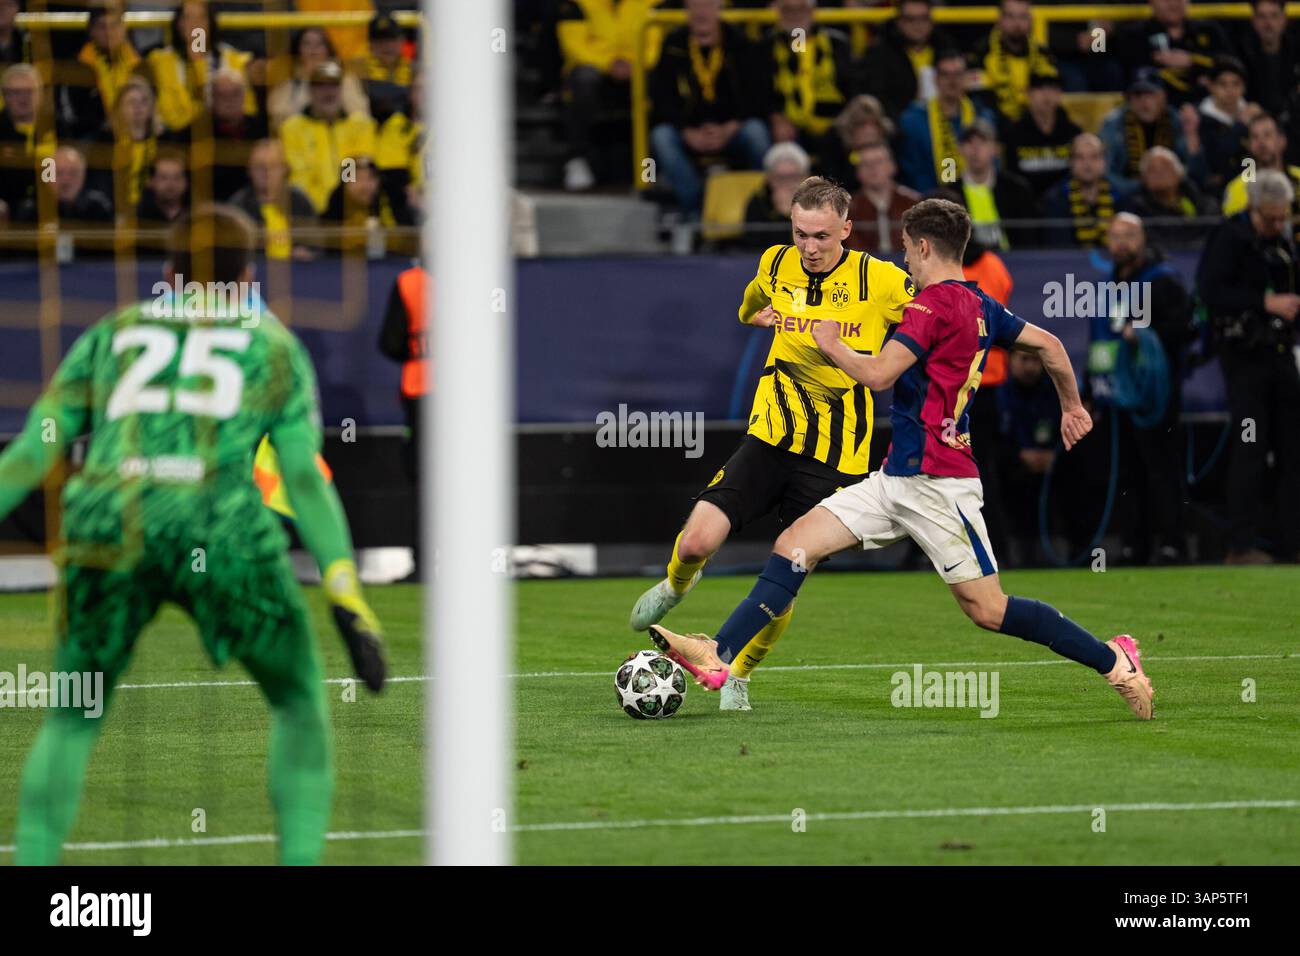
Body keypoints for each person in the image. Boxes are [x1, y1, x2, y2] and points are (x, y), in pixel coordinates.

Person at [648, 198, 1155, 722]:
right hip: (896, 478)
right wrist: (1071, 405)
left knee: (988, 610)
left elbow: (877, 375)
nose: (904, 262)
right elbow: (1049, 344)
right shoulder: (982, 305)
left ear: (924, 246)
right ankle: (719, 654)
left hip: (941, 485)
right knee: (795, 544)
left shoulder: (929, 307)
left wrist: (830, 343)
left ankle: (1113, 658)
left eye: (908, 250)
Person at [0, 204, 387, 865]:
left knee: (71, 714)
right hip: (220, 525)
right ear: (250, 275)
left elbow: (32, 455)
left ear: (170, 273)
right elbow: (303, 476)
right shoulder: (273, 347)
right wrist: (345, 588)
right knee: (297, 702)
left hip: (107, 523)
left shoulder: (114, 333)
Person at [628, 176, 916, 711]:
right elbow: (750, 306)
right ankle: (673, 588)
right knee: (695, 542)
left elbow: (932, 320)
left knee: (788, 569)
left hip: (836, 454)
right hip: (771, 435)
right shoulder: (776, 263)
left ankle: (738, 671)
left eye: (822, 237)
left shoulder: (881, 280)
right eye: (800, 233)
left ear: (847, 231)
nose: (809, 246)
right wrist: (754, 317)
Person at [1196, 170, 1300, 563]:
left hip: (1281, 353)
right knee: (1250, 447)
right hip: (1244, 358)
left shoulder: (1286, 242)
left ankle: (1292, 543)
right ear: (1253, 210)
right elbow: (1210, 291)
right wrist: (1263, 302)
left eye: (1282, 218)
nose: (1276, 226)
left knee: (1293, 449)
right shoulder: (1229, 237)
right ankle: (1240, 546)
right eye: (1269, 219)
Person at [1085, 213, 1194, 564]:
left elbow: (1186, 329)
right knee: (1126, 469)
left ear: (1143, 239)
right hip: (1117, 395)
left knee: (1161, 467)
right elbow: (1099, 343)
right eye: (1115, 236)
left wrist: (1145, 334)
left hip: (1155, 395)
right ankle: (1135, 544)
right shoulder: (1106, 288)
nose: (1121, 243)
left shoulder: (1163, 282)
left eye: (1128, 236)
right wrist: (1089, 392)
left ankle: (1173, 543)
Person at [648, 0, 769, 218]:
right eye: (695, 5)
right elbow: (661, 98)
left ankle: (758, 205)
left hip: (733, 128)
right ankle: (695, 209)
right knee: (661, 137)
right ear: (686, 9)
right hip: (689, 130)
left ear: (720, 8)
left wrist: (731, 127)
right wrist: (686, 131)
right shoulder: (673, 44)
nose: (701, 12)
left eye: (707, 5)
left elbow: (756, 94)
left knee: (756, 132)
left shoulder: (739, 43)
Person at [760, 0, 856, 169]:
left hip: (832, 122)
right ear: (779, 13)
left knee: (840, 138)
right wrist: (775, 118)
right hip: (788, 125)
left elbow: (851, 87)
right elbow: (758, 91)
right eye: (789, 9)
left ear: (812, 12)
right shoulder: (766, 47)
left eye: (801, 9)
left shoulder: (837, 43)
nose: (795, 15)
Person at [278, 60, 377, 215]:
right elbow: (300, 175)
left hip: (349, 210)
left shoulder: (360, 125)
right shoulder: (292, 128)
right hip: (308, 213)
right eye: (320, 86)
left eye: (333, 85)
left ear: (341, 89)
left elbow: (357, 169)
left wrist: (339, 203)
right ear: (310, 91)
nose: (328, 92)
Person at [898, 49, 997, 192]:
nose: (952, 81)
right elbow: (912, 170)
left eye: (958, 74)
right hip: (929, 201)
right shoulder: (913, 120)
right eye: (945, 75)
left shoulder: (983, 116)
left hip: (976, 198)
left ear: (966, 78)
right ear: (935, 78)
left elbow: (993, 163)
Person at [1098, 72, 1205, 193]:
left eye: (1150, 94)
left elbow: (1197, 175)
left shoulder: (1177, 121)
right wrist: (1142, 187)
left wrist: (1191, 135)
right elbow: (1105, 174)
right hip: (1129, 194)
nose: (1144, 102)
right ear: (1129, 99)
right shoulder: (1113, 125)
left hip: (1172, 191)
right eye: (1138, 95)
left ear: (1163, 96)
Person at [1116, 0, 1235, 107]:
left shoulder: (1209, 30)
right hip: (1155, 112)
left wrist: (1191, 60)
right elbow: (1133, 81)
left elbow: (1230, 67)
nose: (1173, 3)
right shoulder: (1134, 36)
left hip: (1208, 110)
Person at [948, 117, 1039, 249]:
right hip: (967, 266)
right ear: (960, 149)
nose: (975, 149)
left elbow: (1030, 241)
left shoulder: (1017, 190)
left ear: (996, 149)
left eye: (983, 142)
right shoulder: (950, 194)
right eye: (969, 142)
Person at [860, 0, 956, 121]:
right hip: (898, 127)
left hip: (946, 122)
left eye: (923, 18)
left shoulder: (946, 48)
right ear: (899, 21)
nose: (918, 25)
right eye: (910, 19)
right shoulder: (879, 53)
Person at [228, 138, 319, 261]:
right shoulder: (237, 207)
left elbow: (318, 247)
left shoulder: (300, 202)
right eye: (260, 166)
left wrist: (306, 253)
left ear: (284, 169)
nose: (266, 172)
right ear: (249, 170)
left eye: (273, 166)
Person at [969, 0, 1057, 126]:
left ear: (1031, 20)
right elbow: (979, 95)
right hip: (996, 121)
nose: (1017, 24)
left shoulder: (1043, 54)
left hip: (1033, 120)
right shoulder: (981, 52)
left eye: (1023, 17)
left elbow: (1050, 93)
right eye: (1010, 17)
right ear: (999, 20)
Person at [1002, 68, 1082, 200]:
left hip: (1066, 203)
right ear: (1029, 93)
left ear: (1060, 93)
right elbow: (1009, 176)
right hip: (1024, 202)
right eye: (1040, 88)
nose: (1047, 95)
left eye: (1053, 89)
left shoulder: (1074, 132)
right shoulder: (1013, 133)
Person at [1042, 133, 1131, 247]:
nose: (1087, 164)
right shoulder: (1055, 200)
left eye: (1094, 157)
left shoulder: (1122, 197)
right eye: (1080, 157)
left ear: (1104, 162)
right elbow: (1059, 248)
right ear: (1070, 162)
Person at [845, 142, 919, 253]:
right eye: (865, 164)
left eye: (878, 162)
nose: (872, 168)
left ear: (892, 166)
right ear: (857, 172)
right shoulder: (848, 209)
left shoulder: (913, 203)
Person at [739, 141, 809, 251]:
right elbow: (754, 247)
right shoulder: (758, 202)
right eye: (780, 178)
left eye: (793, 177)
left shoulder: (816, 203)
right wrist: (782, 216)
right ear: (769, 178)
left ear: (804, 177)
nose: (787, 184)